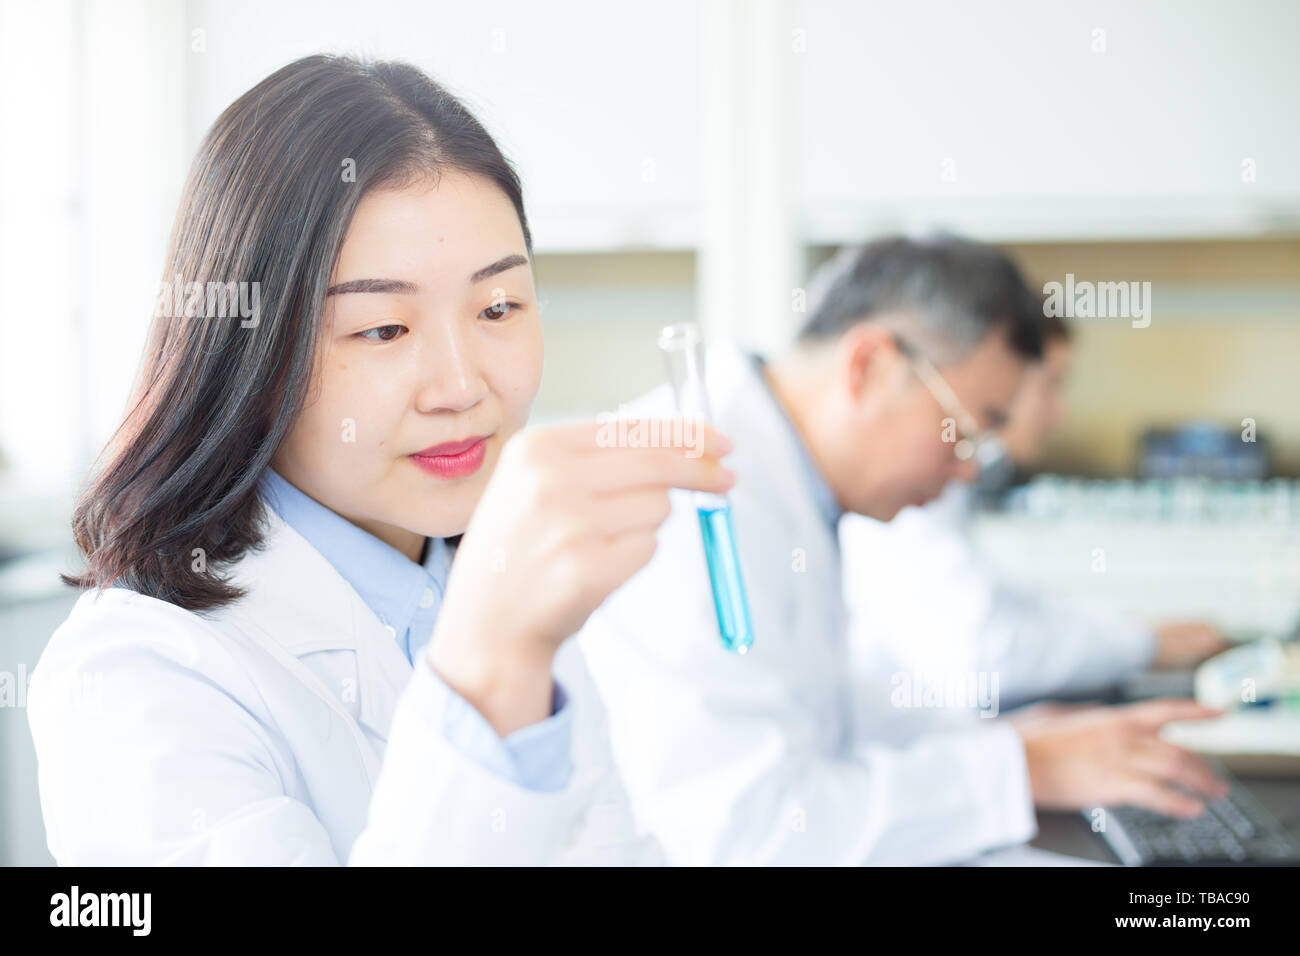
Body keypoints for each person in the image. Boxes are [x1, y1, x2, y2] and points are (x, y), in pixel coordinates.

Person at [27, 55, 732, 865]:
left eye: (498, 307)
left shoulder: (490, 583)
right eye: (383, 329)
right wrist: (488, 670)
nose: (463, 386)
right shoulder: (137, 677)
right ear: (249, 355)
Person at [578, 235, 1227, 866]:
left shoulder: (789, 480)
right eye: (968, 429)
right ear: (870, 368)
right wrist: (1017, 768)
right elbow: (748, 833)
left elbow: (817, 711)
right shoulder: (695, 498)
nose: (969, 469)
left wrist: (1002, 745)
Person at [840, 307, 1228, 707]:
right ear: (999, 379)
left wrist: (1140, 636)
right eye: (1050, 384)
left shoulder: (952, 480)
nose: (1059, 413)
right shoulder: (914, 484)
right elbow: (977, 655)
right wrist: (1142, 645)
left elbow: (1006, 607)